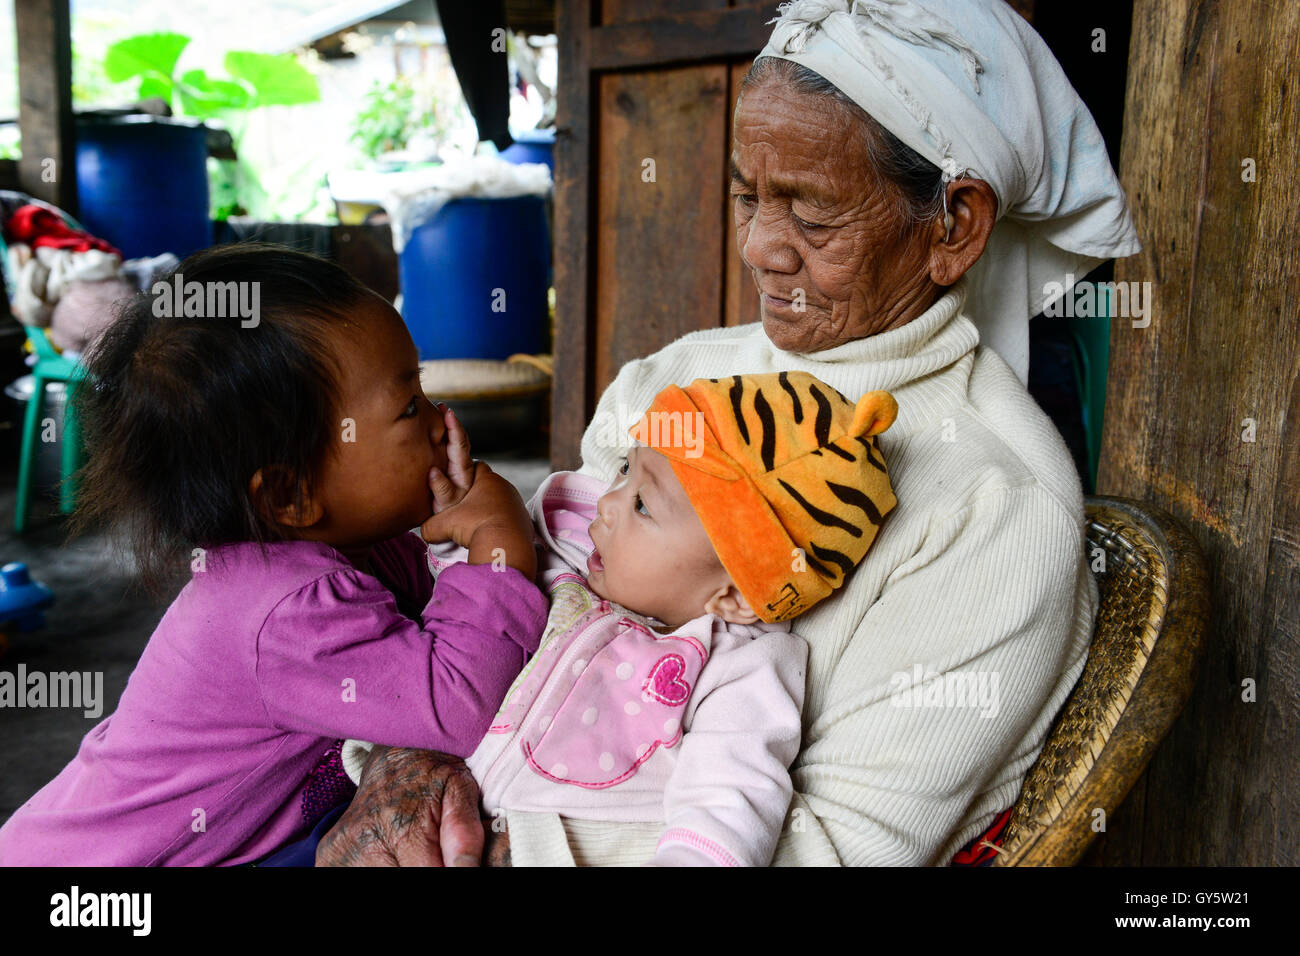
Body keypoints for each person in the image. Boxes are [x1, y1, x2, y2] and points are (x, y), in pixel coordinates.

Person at [320, 0, 1141, 867]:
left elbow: (832, 849)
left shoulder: (998, 511)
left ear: (955, 225)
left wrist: (498, 840)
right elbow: (516, 615)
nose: (759, 249)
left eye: (813, 215)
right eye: (751, 197)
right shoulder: (677, 376)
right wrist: (411, 754)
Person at [0, 244, 548, 866]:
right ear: (290, 493)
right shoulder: (287, 610)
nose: (441, 420)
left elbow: (432, 605)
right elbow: (458, 705)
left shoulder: (341, 549)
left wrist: (453, 536)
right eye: (408, 406)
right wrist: (499, 540)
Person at [342, 373, 899, 866]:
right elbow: (463, 606)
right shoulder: (557, 543)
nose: (608, 503)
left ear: (734, 595)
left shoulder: (739, 671)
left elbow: (729, 798)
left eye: (642, 505)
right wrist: (465, 524)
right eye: (625, 470)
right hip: (423, 814)